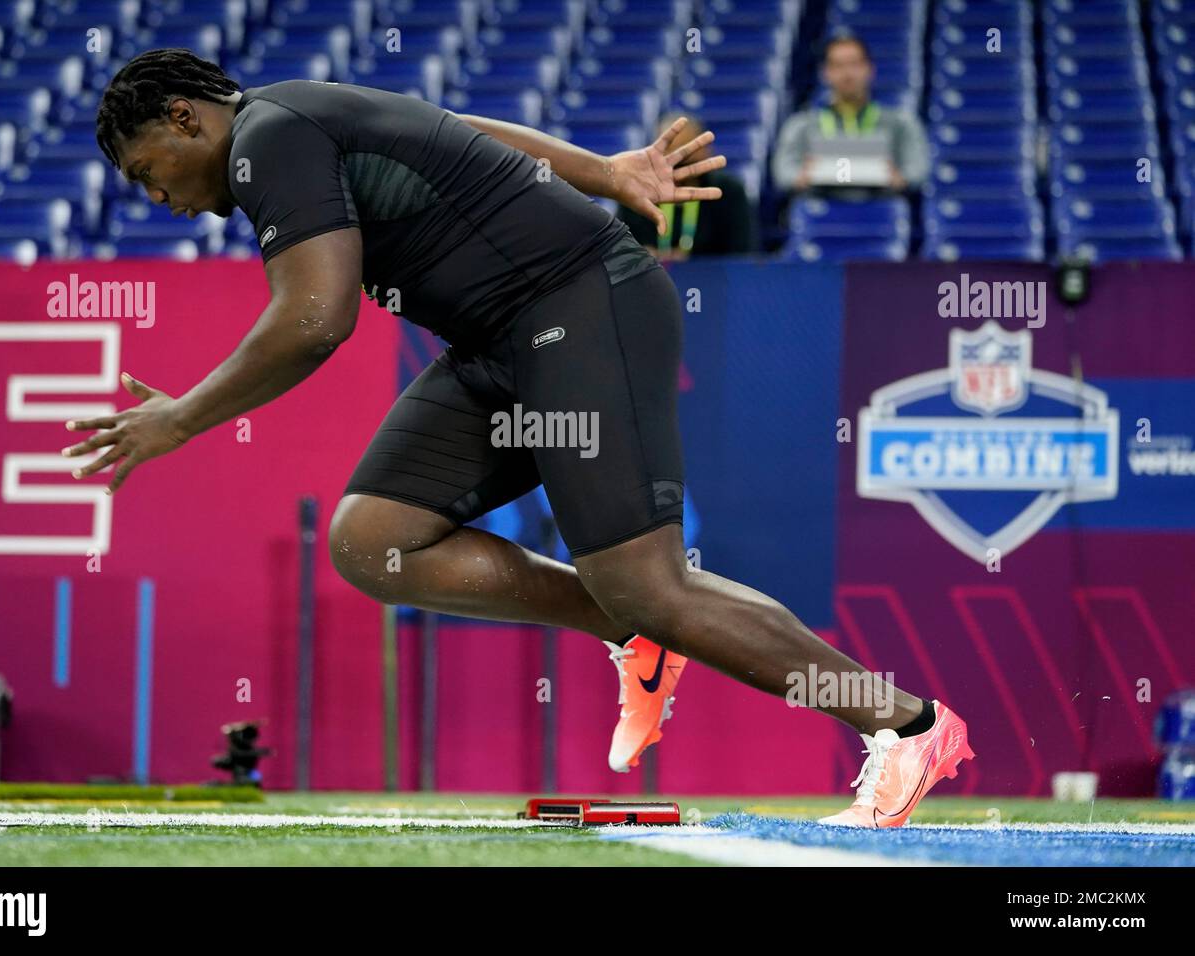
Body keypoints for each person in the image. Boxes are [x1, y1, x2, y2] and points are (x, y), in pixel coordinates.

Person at [71, 49, 973, 826]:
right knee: (375, 543)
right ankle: (634, 630)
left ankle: (906, 727)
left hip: (581, 306)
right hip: (499, 344)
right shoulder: (300, 113)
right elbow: (461, 127)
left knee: (650, 585)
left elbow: (316, 318)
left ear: (184, 119)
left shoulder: (269, 139)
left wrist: (181, 417)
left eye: (146, 171)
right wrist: (604, 171)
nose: (158, 198)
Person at [773, 34, 929, 196]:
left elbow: (917, 171)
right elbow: (783, 174)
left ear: (869, 69)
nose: (847, 74)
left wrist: (899, 177)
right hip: (820, 209)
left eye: (854, 64)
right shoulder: (801, 125)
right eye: (838, 65)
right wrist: (801, 177)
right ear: (826, 73)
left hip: (879, 210)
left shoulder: (901, 123)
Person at [617, 113, 756, 260]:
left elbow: (740, 255)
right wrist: (642, 255)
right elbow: (620, 252)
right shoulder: (636, 194)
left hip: (714, 279)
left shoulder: (726, 192)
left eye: (686, 150)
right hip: (650, 279)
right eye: (668, 150)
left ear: (706, 151)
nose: (676, 160)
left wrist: (691, 261)